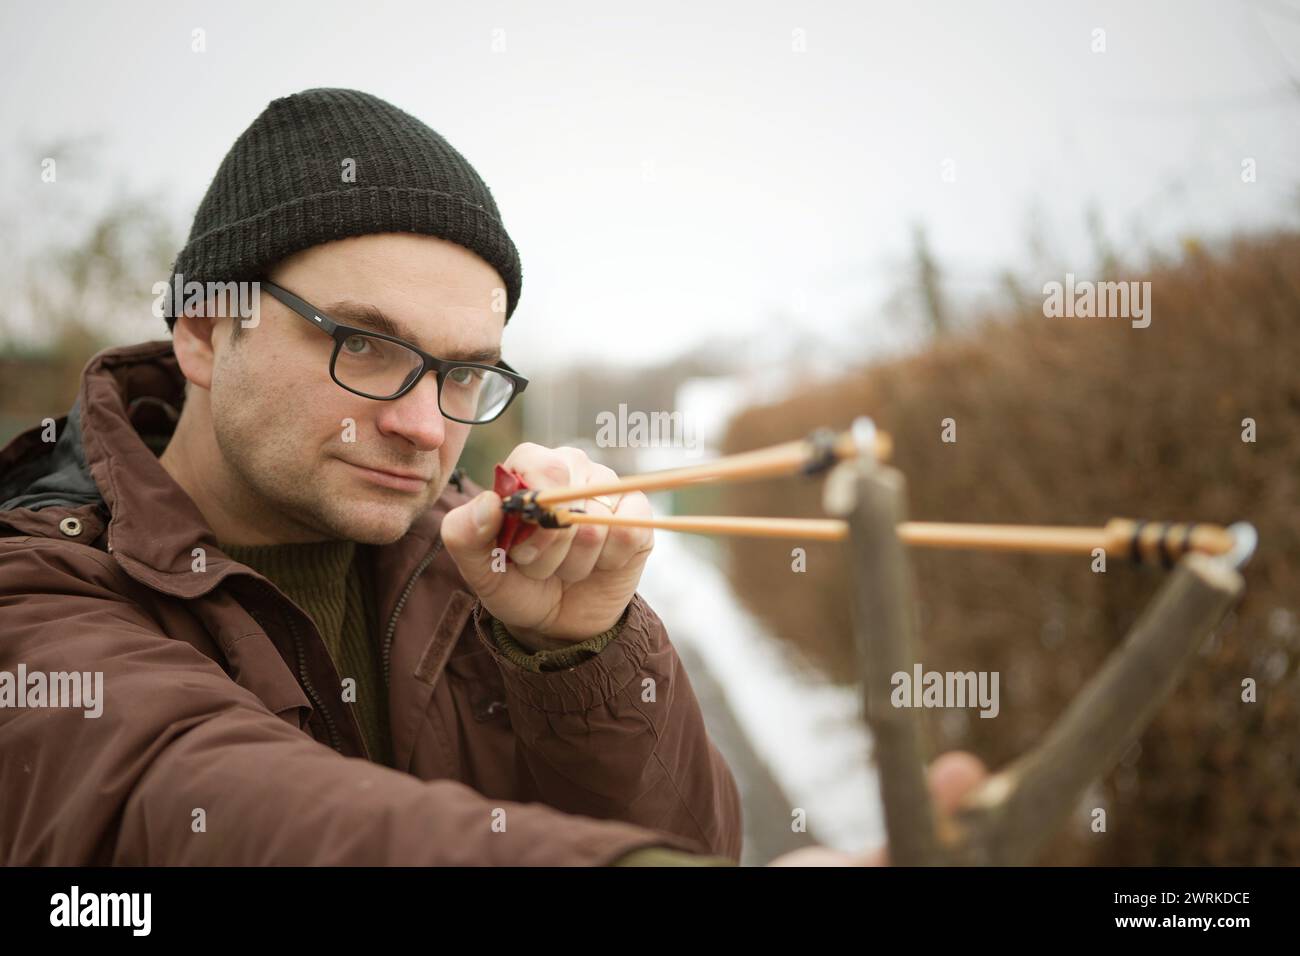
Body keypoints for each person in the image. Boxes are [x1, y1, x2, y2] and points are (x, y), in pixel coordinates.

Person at [0, 88, 982, 866]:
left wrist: (580, 655)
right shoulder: (38, 594)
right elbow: (200, 802)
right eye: (366, 345)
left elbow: (697, 842)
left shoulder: (479, 574)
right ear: (209, 330)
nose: (427, 426)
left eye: (464, 371)